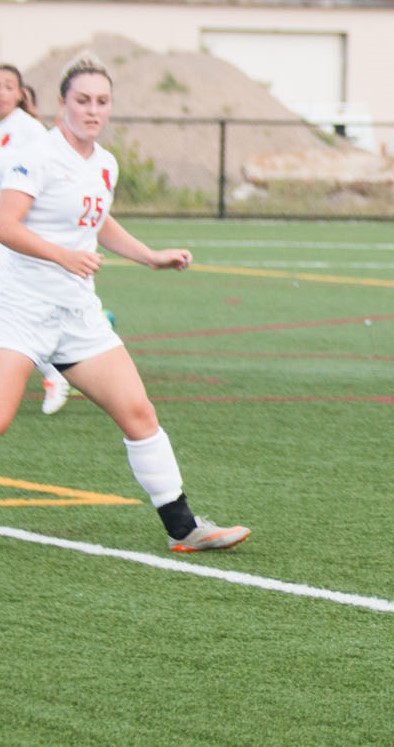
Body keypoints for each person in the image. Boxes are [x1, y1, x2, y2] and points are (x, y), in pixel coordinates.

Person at [0, 56, 250, 552]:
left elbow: (99, 222)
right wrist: (63, 256)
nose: (93, 110)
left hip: (76, 315)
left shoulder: (106, 163)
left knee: (138, 412)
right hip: (18, 308)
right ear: (61, 104)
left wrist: (149, 257)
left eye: (102, 102)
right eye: (82, 101)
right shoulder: (35, 152)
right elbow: (6, 224)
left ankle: (184, 528)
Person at [0, 63, 75, 415]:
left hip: (13, 232)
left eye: (8, 85)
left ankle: (54, 371)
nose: (2, 91)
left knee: (17, 310)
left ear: (20, 93)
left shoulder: (29, 131)